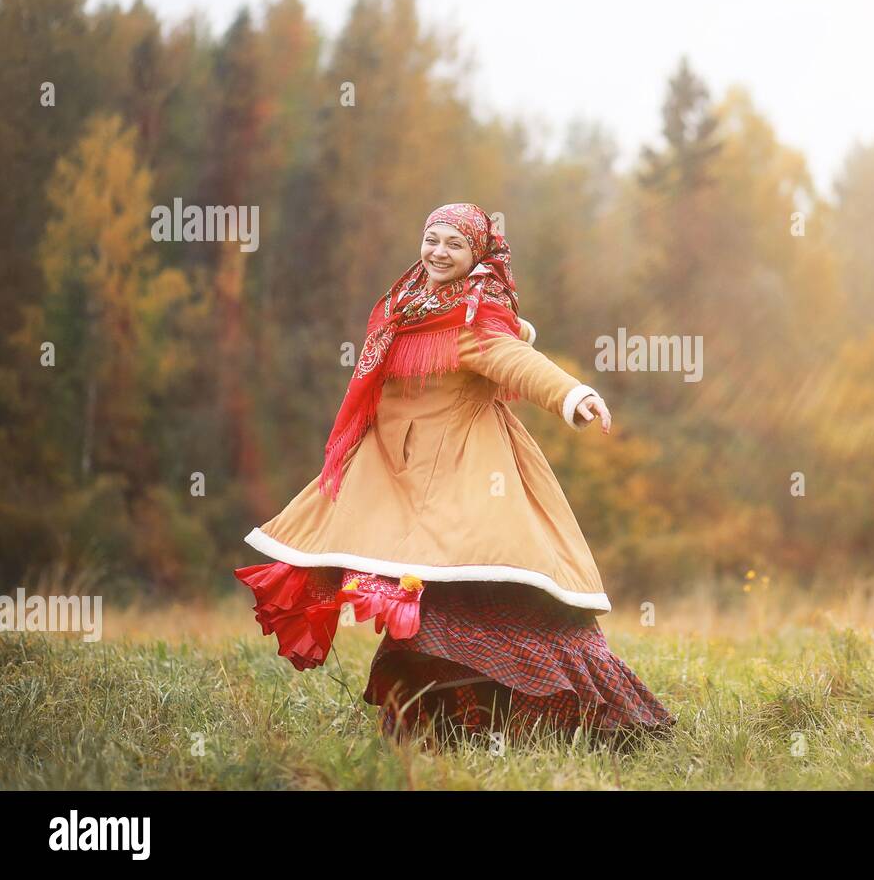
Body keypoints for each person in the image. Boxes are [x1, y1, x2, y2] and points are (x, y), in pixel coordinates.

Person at [234, 202, 675, 750]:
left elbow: (515, 359)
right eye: (432, 239)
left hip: (468, 471)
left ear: (476, 256)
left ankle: (553, 718)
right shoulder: (400, 306)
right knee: (421, 597)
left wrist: (573, 395)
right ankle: (435, 724)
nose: (439, 252)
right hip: (398, 472)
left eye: (454, 245)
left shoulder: (473, 318)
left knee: (466, 592)